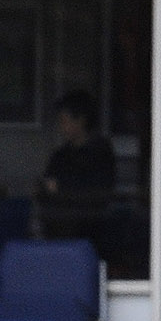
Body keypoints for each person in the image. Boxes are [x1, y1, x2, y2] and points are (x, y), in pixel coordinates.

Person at [38, 89, 115, 245]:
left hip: (91, 232)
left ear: (80, 120)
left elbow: (99, 193)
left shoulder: (100, 153)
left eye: (64, 121)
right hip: (58, 231)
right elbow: (46, 188)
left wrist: (61, 188)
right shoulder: (60, 155)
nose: (61, 127)